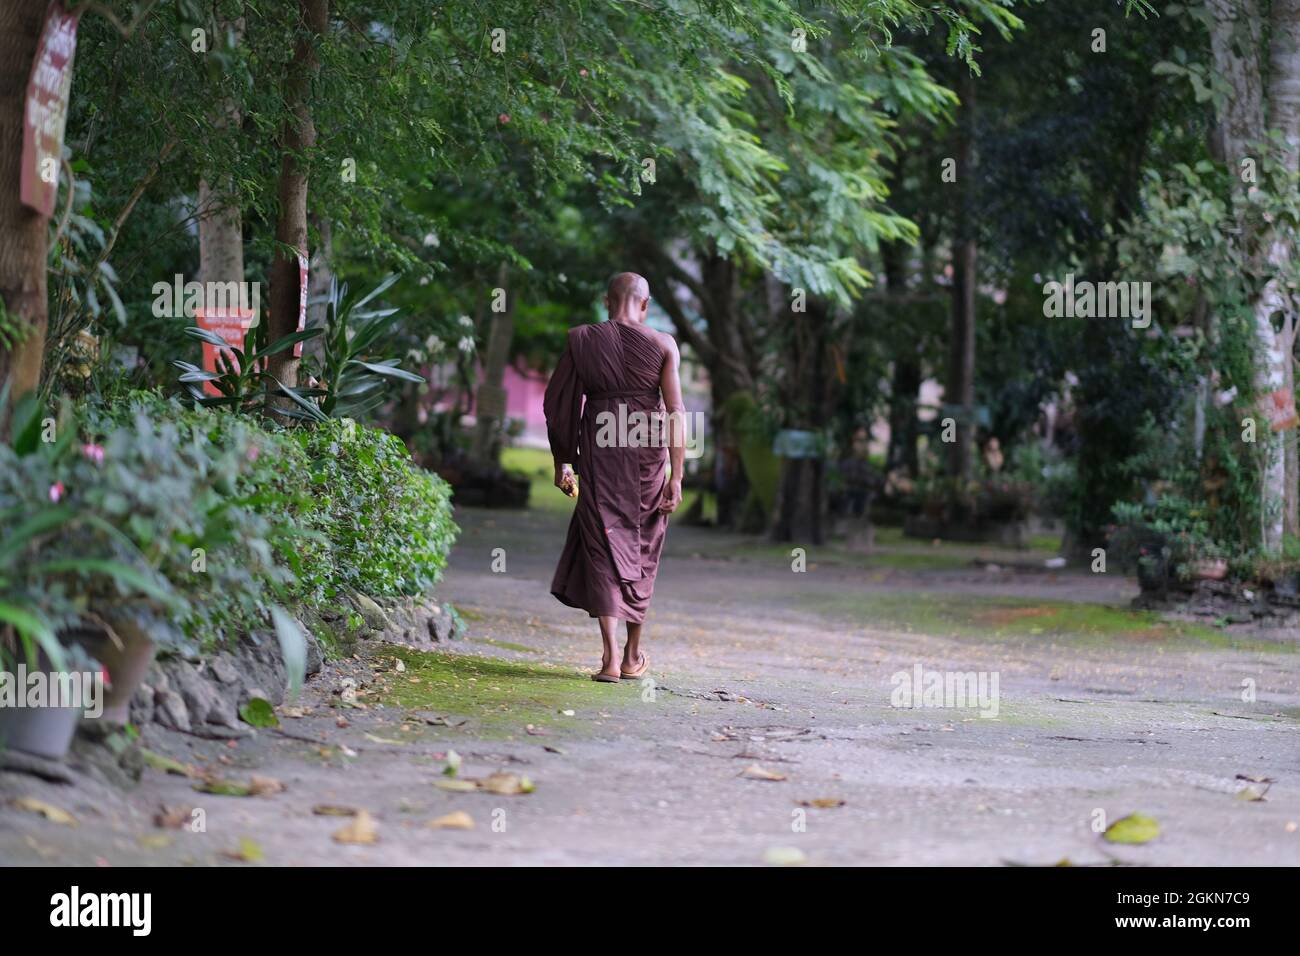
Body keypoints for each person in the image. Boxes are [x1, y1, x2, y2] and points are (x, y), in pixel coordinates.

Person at [543, 272, 686, 682]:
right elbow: (676, 412)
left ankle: (607, 659)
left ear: (607, 301)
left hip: (600, 451)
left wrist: (562, 461)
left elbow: (560, 404)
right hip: (647, 452)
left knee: (603, 544)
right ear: (645, 304)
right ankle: (632, 654)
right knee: (643, 544)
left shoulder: (581, 339)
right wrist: (677, 475)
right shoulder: (663, 344)